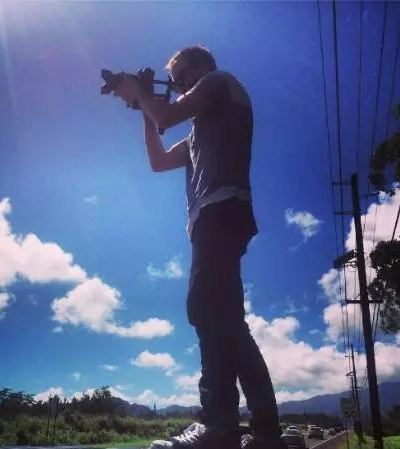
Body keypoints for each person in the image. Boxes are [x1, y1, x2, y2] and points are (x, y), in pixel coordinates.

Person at [113, 45, 286, 449]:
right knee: (221, 319)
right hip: (213, 219)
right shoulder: (197, 131)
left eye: (183, 75)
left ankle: (221, 425)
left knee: (209, 312)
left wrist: (142, 93)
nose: (180, 85)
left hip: (221, 209)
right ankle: (259, 430)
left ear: (203, 65)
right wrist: (143, 106)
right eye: (174, 82)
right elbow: (156, 160)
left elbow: (169, 114)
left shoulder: (217, 82)